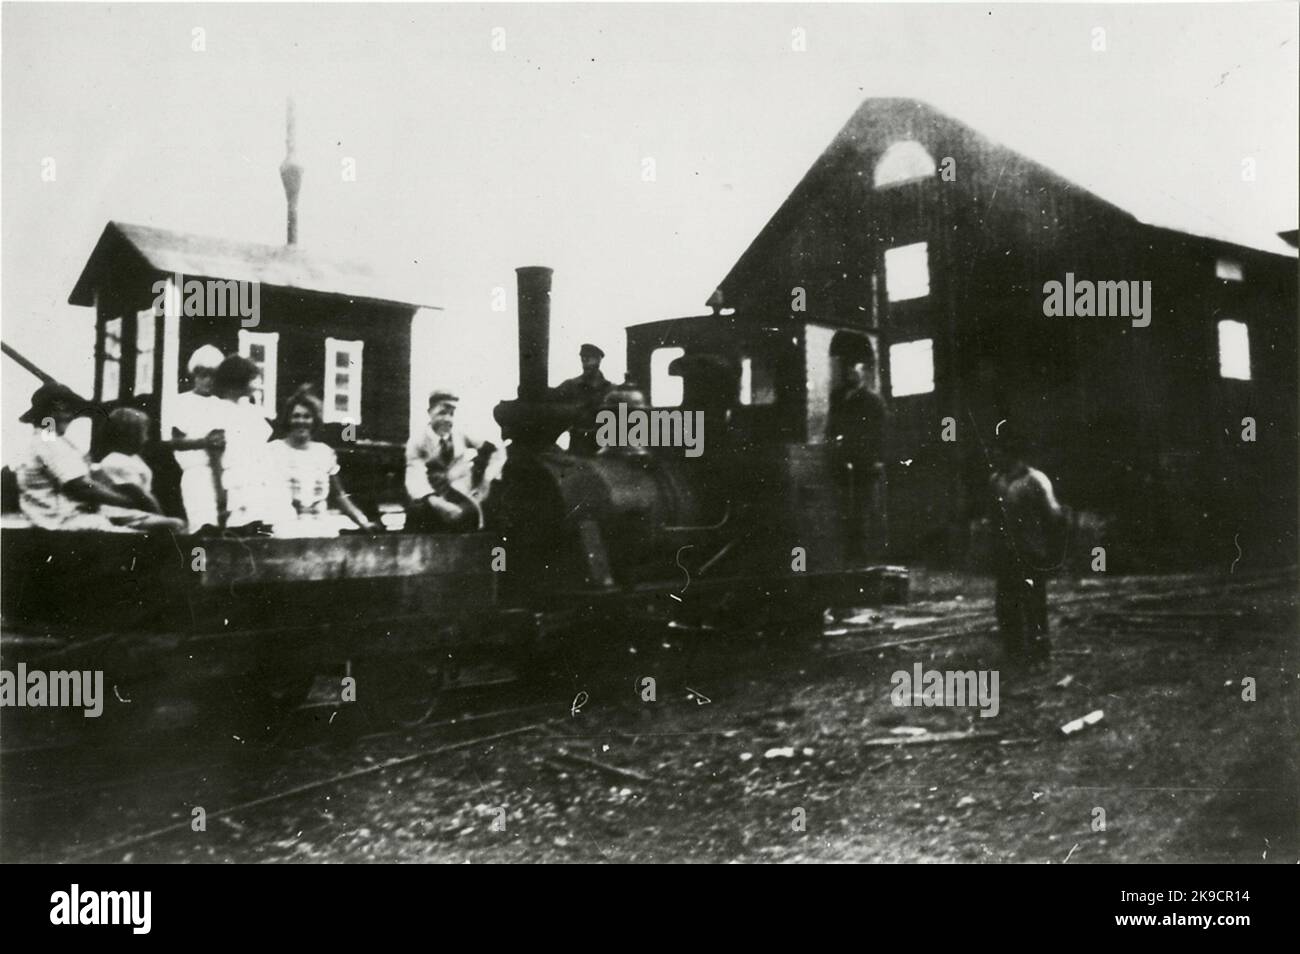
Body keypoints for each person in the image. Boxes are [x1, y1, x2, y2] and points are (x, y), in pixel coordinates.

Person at [15, 383, 180, 534]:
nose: (71, 416)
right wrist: (127, 501)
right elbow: (81, 488)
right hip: (65, 521)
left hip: (68, 515)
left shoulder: (48, 440)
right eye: (66, 410)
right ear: (49, 413)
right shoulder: (49, 441)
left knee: (164, 525)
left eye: (71, 410)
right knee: (150, 538)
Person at [988, 424, 1067, 664]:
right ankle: (1014, 650)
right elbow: (994, 518)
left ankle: (1040, 652)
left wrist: (1053, 553)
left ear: (1012, 454)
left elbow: (1054, 517)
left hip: (1031, 552)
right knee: (1006, 605)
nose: (995, 456)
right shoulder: (996, 480)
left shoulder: (1036, 481)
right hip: (1007, 553)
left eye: (999, 452)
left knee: (1033, 604)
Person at [269, 387, 381, 537]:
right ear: (288, 419)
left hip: (320, 528)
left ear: (314, 420)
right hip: (285, 527)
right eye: (296, 416)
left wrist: (363, 521)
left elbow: (339, 495)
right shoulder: (273, 450)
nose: (301, 421)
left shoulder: (324, 453)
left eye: (306, 416)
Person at [210, 355, 292, 533]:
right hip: (235, 475)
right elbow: (216, 452)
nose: (255, 384)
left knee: (264, 522)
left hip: (258, 474)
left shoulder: (249, 410)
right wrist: (221, 495)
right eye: (252, 379)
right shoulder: (219, 409)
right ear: (238, 380)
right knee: (241, 524)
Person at [405, 390, 500, 531]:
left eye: (452, 414)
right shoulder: (418, 441)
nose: (448, 420)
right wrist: (436, 502)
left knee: (487, 516)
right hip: (433, 498)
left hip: (463, 495)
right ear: (429, 412)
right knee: (422, 519)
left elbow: (494, 450)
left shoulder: (460, 434)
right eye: (442, 413)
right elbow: (415, 476)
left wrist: (485, 481)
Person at [825, 349, 887, 561]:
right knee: (845, 511)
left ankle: (863, 559)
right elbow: (831, 427)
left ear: (864, 372)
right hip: (843, 462)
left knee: (863, 511)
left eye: (857, 368)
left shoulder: (873, 401)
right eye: (849, 369)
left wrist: (878, 459)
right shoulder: (838, 397)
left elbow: (881, 432)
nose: (852, 372)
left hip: (866, 463)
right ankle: (848, 557)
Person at [159, 345, 227, 532]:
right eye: (203, 375)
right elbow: (174, 442)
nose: (208, 380)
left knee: (224, 524)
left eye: (213, 375)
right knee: (203, 524)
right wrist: (204, 442)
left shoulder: (219, 404)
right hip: (195, 472)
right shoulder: (182, 402)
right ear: (194, 375)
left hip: (220, 471)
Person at [92, 407, 186, 532]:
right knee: (176, 524)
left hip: (134, 512)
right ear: (129, 436)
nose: (146, 438)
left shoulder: (133, 458)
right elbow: (141, 495)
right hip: (121, 514)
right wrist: (159, 516)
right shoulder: (116, 460)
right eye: (144, 433)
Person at [552, 343, 611, 454]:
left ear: (599, 360)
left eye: (589, 358)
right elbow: (550, 404)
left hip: (604, 448)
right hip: (577, 446)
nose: (585, 361)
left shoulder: (610, 389)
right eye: (583, 358)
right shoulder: (570, 385)